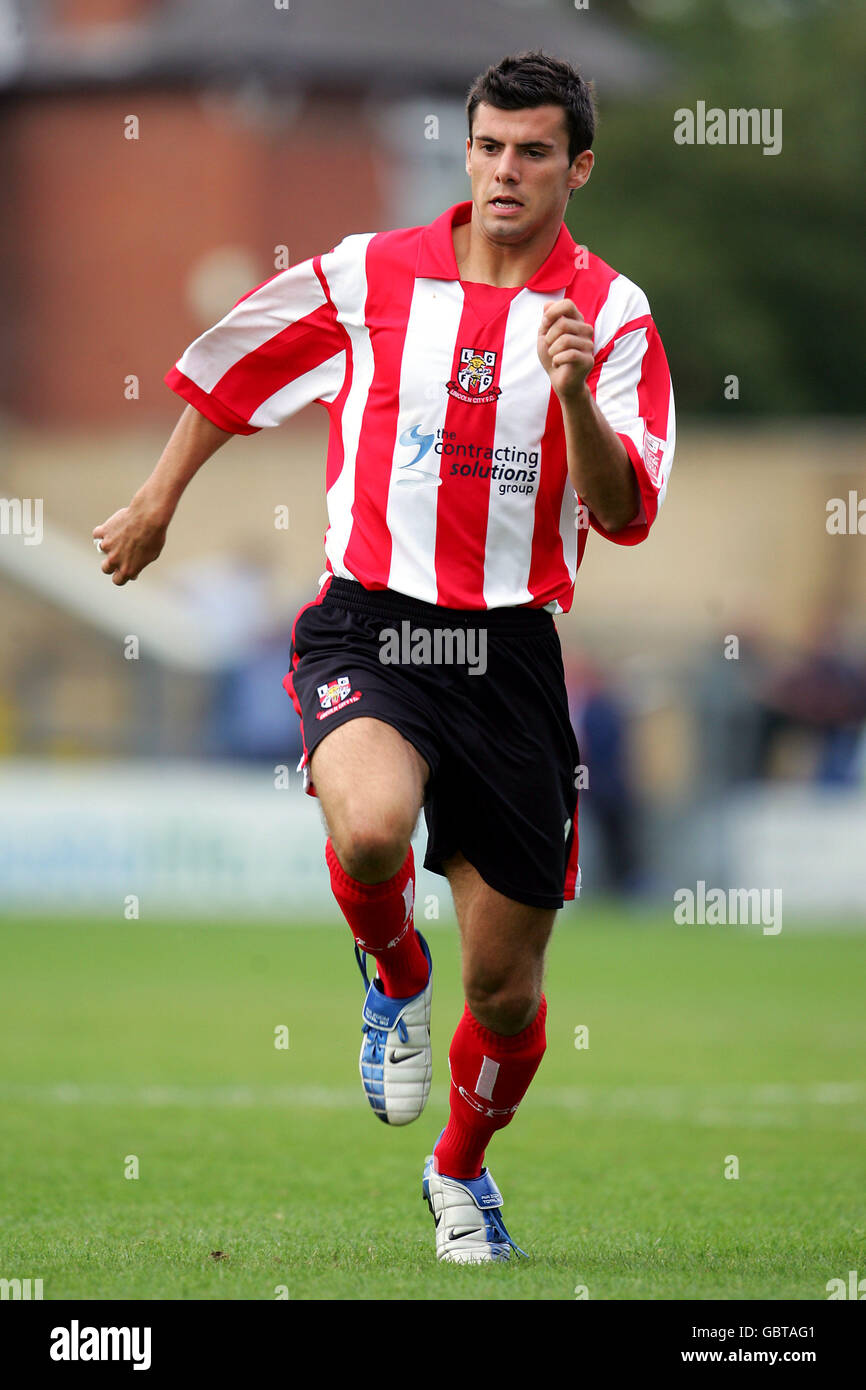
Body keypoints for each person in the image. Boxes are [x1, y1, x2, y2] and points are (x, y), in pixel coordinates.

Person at [93, 51, 675, 1264]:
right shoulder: (371, 273)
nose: (504, 169)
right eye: (487, 146)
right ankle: (391, 973)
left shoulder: (610, 317)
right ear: (463, 152)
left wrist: (572, 396)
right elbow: (233, 368)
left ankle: (458, 1173)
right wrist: (156, 502)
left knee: (508, 995)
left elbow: (623, 513)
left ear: (577, 167)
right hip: (370, 622)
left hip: (509, 657)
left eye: (530, 151)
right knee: (366, 829)